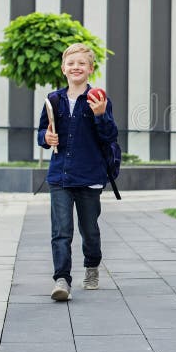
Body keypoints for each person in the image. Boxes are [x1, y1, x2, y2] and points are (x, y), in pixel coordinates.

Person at [37, 43, 118, 301]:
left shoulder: (99, 99)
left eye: (81, 64)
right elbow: (42, 132)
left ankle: (92, 264)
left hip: (89, 175)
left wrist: (100, 115)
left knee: (89, 229)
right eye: (71, 64)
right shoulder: (54, 100)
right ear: (63, 69)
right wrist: (45, 137)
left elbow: (109, 135)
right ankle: (62, 279)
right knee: (61, 231)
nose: (76, 68)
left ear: (90, 69)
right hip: (60, 176)